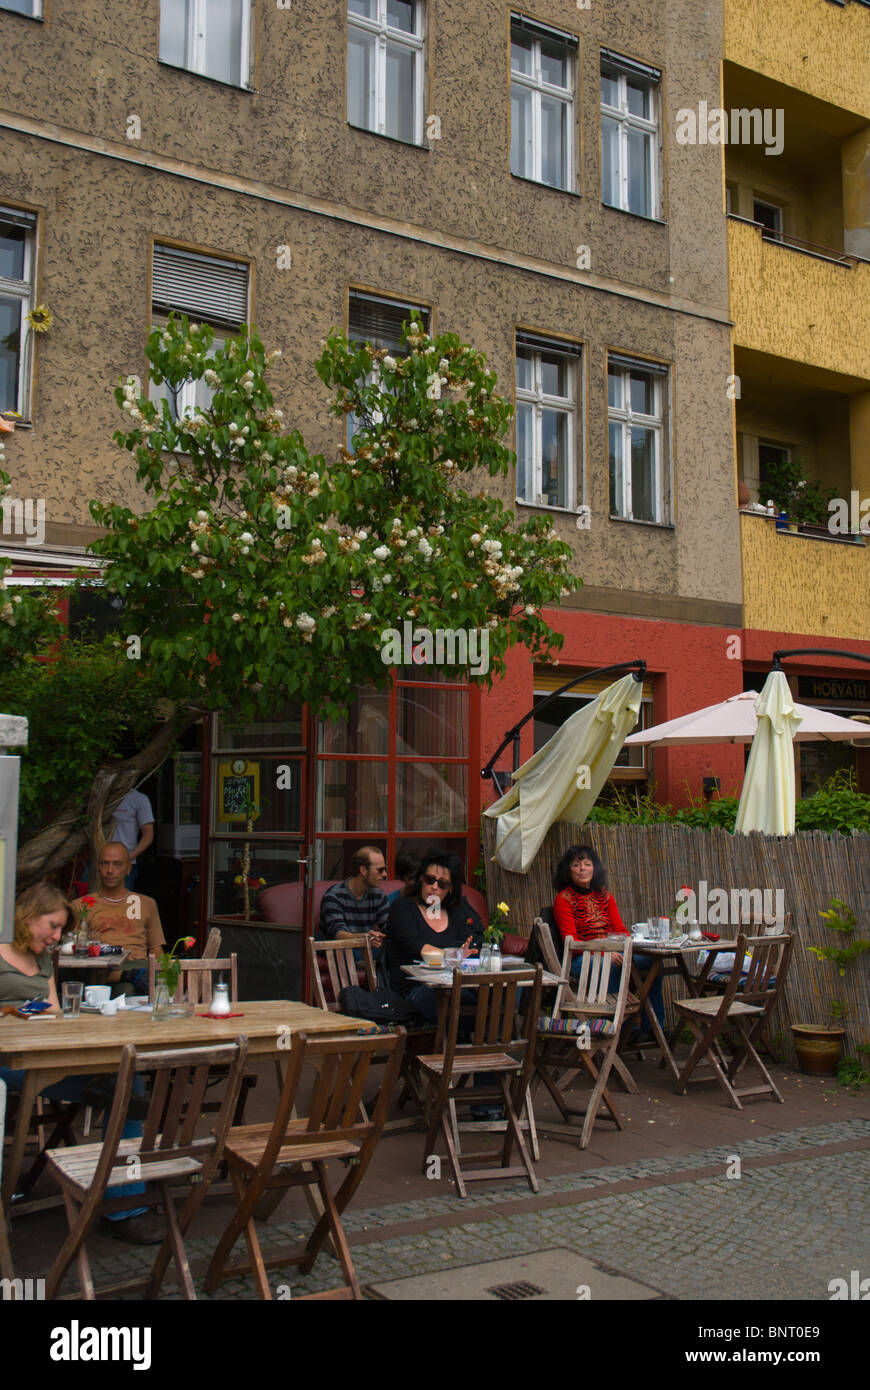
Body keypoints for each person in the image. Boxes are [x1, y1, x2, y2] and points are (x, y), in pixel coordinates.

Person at [0, 883, 162, 1244]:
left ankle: (123, 1207)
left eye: (61, 930)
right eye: (53, 927)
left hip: (47, 1060)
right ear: (28, 917)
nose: (57, 937)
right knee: (120, 1086)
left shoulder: (44, 958)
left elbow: (55, 1010)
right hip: (7, 1063)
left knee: (127, 1079)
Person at [552, 843, 664, 1035]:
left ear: (594, 868)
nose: (582, 869)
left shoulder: (605, 896)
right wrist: (604, 952)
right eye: (576, 865)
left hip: (613, 953)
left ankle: (653, 1028)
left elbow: (621, 930)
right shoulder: (564, 899)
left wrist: (623, 949)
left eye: (587, 864)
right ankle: (610, 1029)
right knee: (609, 965)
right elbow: (573, 943)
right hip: (581, 960)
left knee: (652, 963)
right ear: (568, 871)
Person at [383, 851, 484, 1025]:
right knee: (443, 998)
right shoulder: (403, 908)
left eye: (443, 883)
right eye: (430, 880)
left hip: (453, 986)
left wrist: (459, 955)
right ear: (421, 879)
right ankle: (465, 1042)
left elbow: (469, 946)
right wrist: (453, 956)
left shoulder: (457, 912)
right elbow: (417, 947)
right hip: (414, 990)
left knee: (504, 991)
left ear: (451, 888)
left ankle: (494, 1043)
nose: (434, 887)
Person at [72, 841, 165, 995]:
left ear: (128, 868)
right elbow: (75, 953)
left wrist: (160, 977)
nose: (110, 870)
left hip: (140, 966)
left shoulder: (147, 904)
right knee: (126, 990)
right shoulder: (81, 905)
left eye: (117, 865)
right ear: (97, 867)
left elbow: (156, 949)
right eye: (104, 864)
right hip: (103, 969)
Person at [318, 845, 390, 953]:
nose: (385, 874)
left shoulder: (378, 895)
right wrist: (366, 937)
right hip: (339, 950)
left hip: (366, 948)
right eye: (380, 870)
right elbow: (339, 934)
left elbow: (389, 928)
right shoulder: (333, 896)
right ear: (363, 870)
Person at [110, 788, 155, 890]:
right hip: (99, 860)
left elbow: (148, 835)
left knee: (122, 903)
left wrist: (128, 858)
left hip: (124, 863)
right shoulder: (103, 796)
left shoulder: (139, 799)